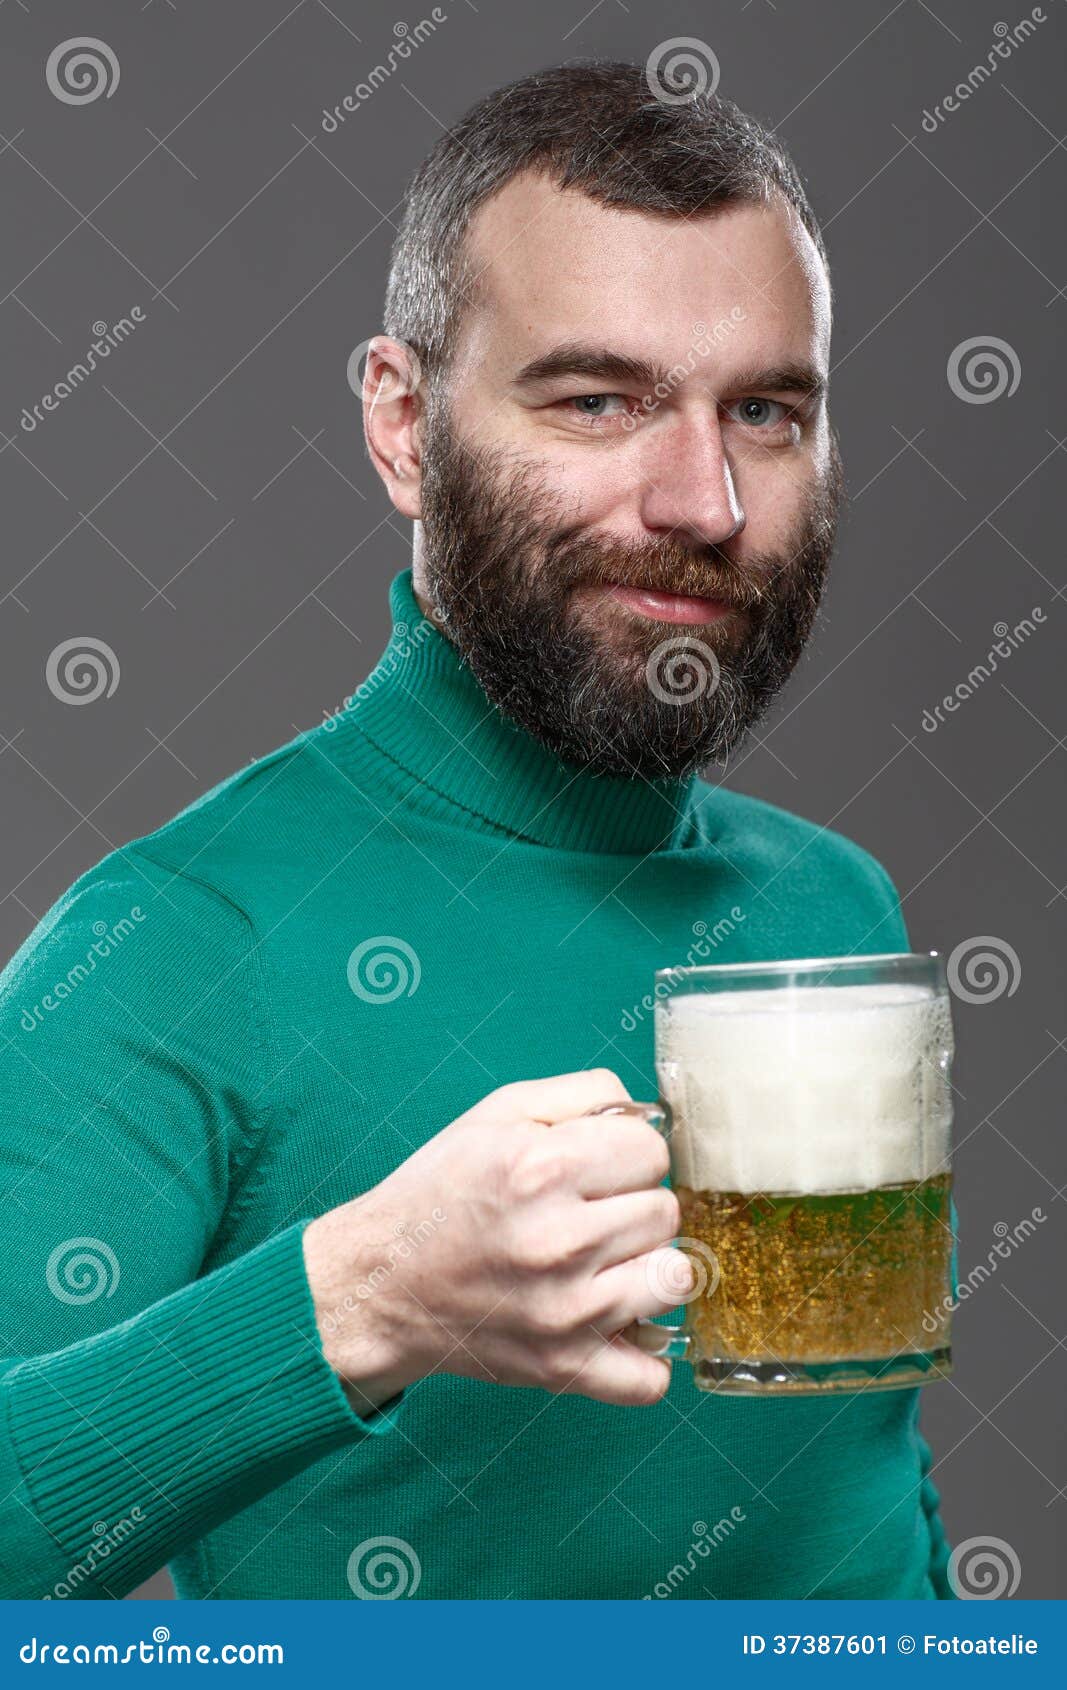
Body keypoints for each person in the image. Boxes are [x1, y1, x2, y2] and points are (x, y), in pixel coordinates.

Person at [0, 60, 953, 1600]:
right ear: (400, 425)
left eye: (766, 411)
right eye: (597, 400)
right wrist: (361, 1297)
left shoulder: (833, 905)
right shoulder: (175, 936)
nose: (703, 498)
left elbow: (843, 1500)